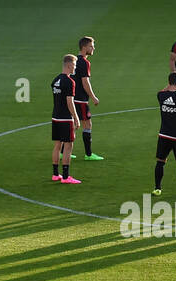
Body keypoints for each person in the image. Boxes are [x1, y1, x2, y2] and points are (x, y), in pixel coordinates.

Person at [50, 54, 82, 184]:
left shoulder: (55, 80)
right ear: (69, 65)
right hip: (65, 119)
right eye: (74, 65)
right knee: (68, 146)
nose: (75, 68)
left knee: (57, 145)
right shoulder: (70, 82)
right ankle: (66, 176)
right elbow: (70, 102)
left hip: (55, 116)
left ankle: (55, 174)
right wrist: (76, 117)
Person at [72, 36, 103, 160]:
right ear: (84, 47)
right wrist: (93, 97)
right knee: (87, 125)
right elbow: (85, 82)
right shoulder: (85, 62)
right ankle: (88, 154)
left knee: (74, 124)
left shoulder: (73, 60)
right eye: (91, 46)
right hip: (81, 100)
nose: (93, 48)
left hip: (73, 98)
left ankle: (63, 151)